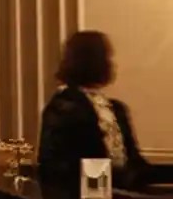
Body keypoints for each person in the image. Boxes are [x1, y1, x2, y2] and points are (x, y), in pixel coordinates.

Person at [38, 31, 151, 190]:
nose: (112, 64)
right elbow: (59, 168)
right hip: (83, 197)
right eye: (107, 57)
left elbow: (135, 164)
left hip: (121, 195)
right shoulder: (64, 108)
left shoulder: (117, 109)